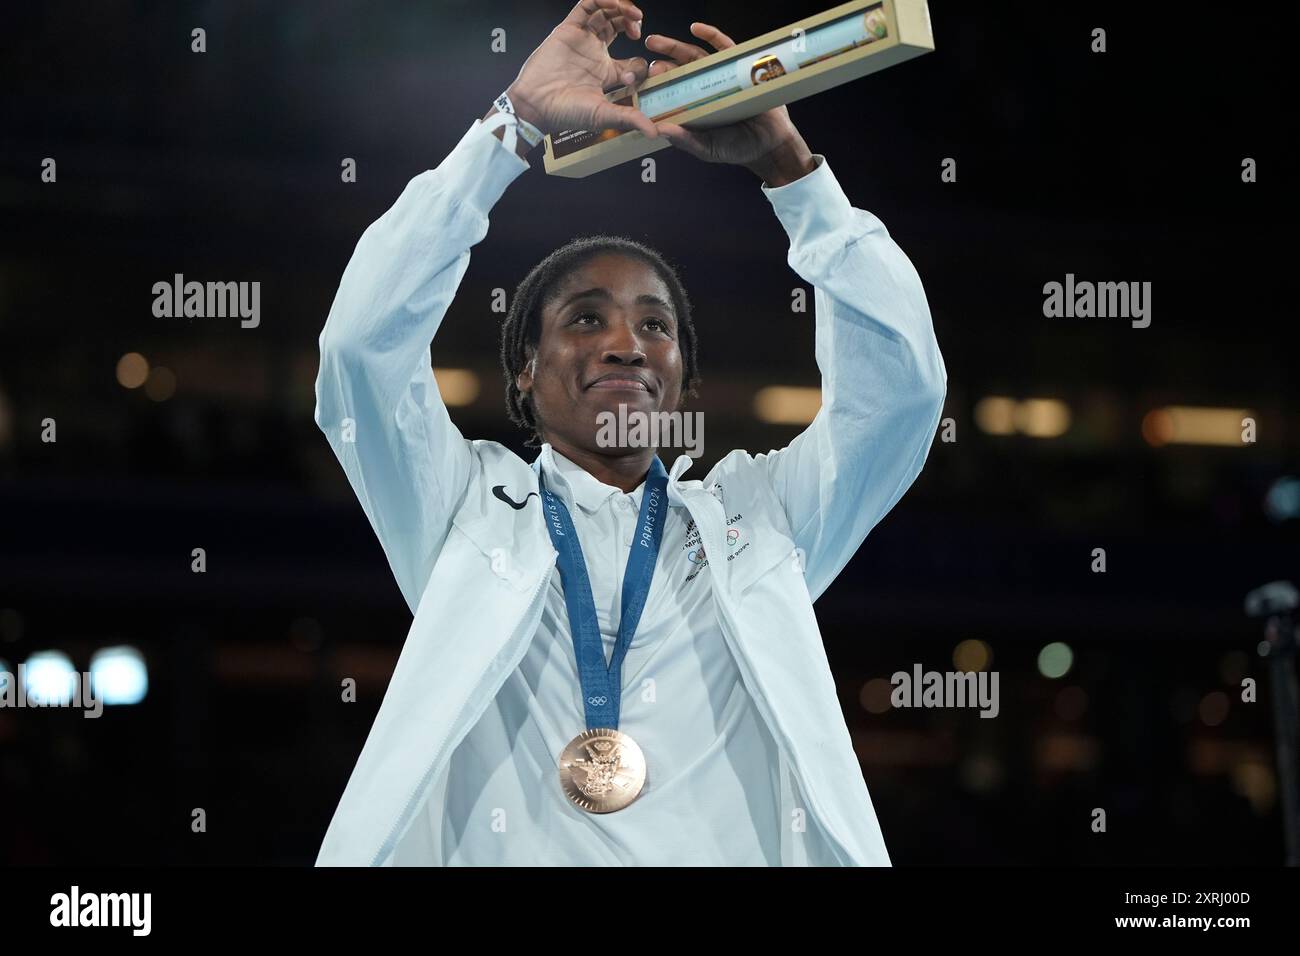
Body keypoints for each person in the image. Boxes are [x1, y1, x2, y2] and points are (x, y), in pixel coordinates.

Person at [313, 0, 947, 866]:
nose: (625, 343)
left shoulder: (757, 520)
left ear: (680, 375)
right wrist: (512, 128)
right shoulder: (463, 507)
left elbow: (904, 394)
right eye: (584, 319)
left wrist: (792, 174)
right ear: (525, 372)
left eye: (657, 326)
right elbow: (361, 348)